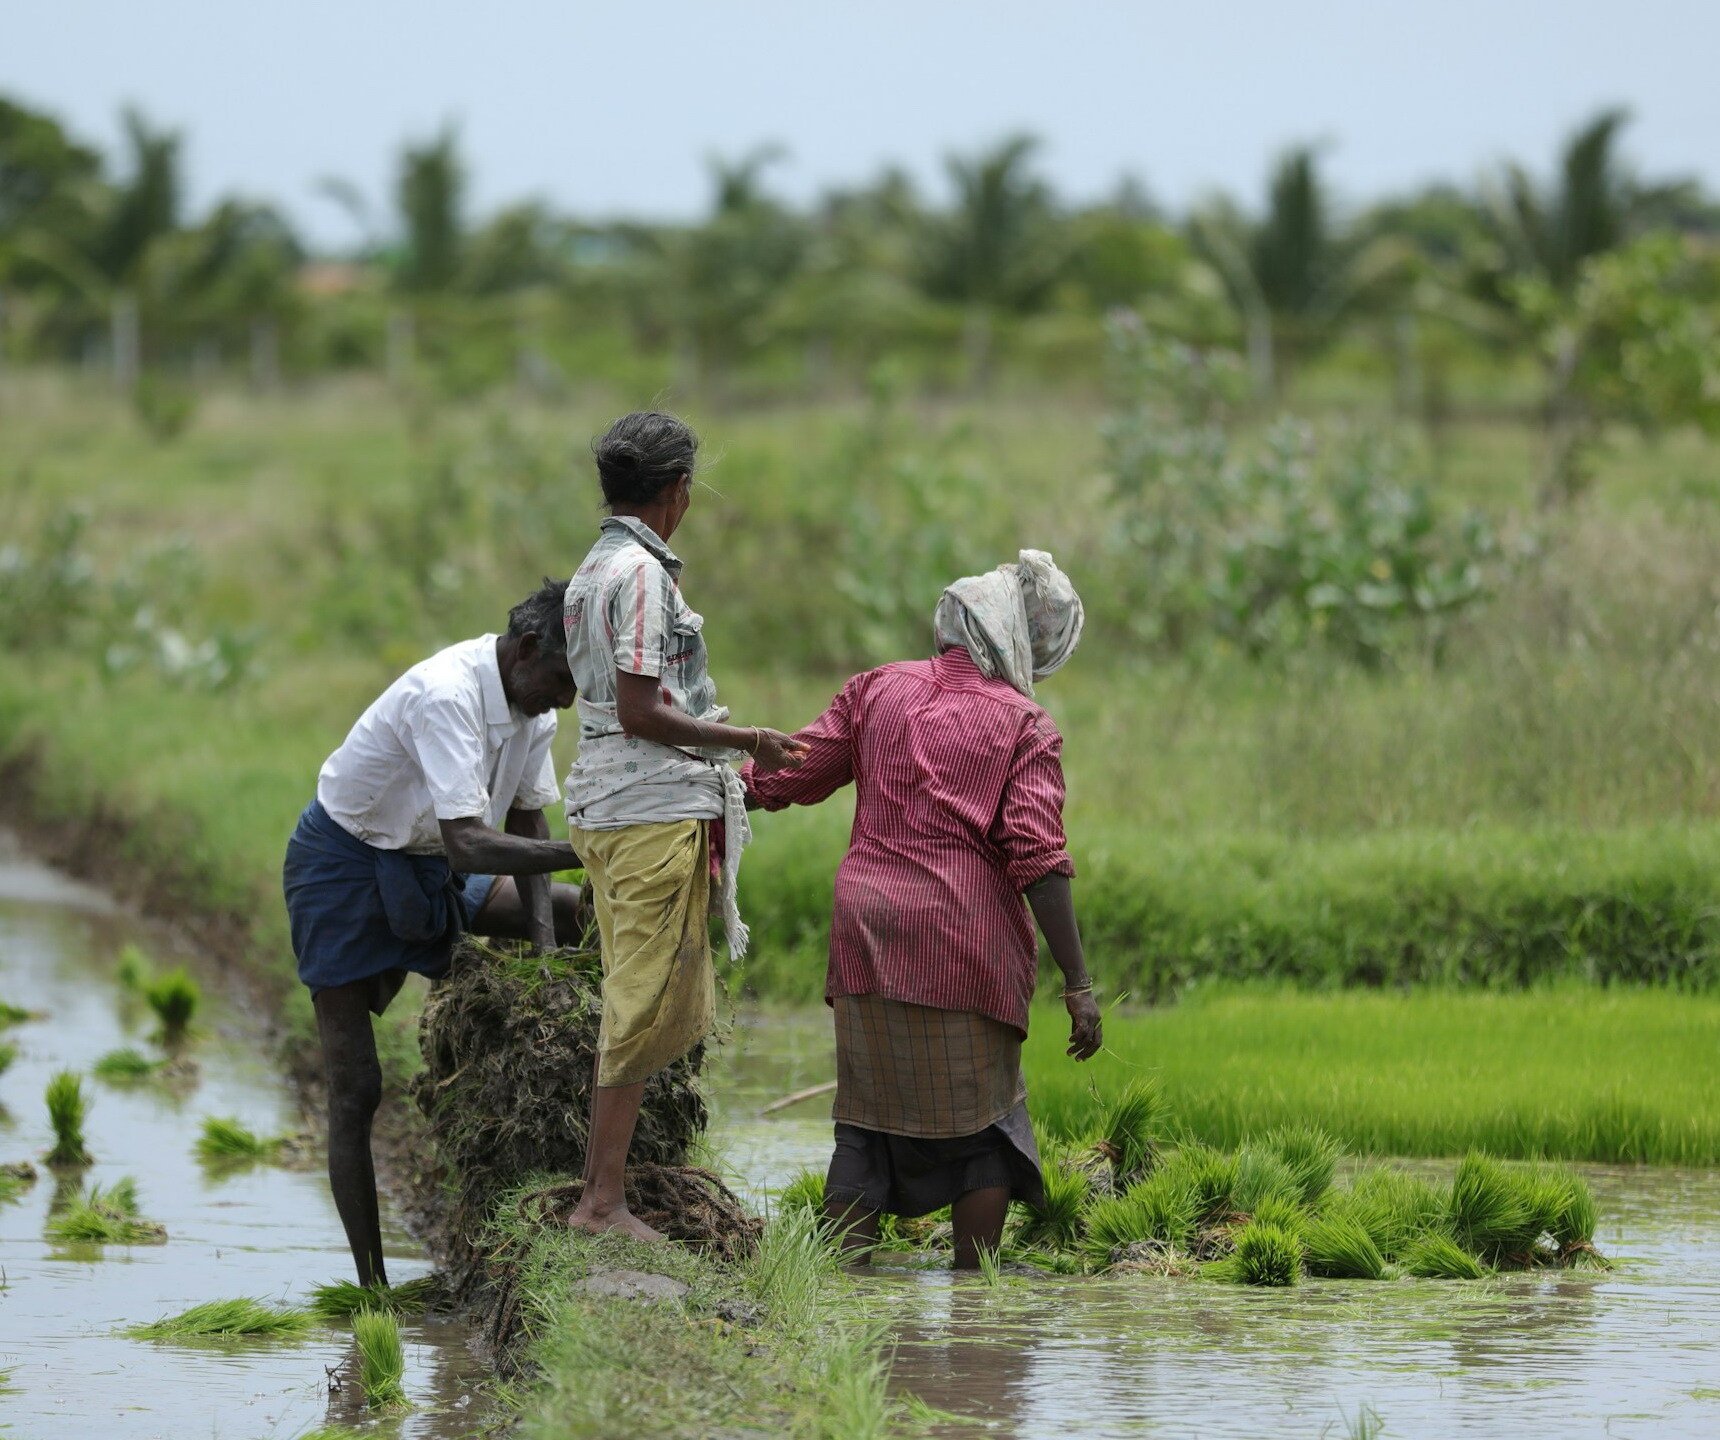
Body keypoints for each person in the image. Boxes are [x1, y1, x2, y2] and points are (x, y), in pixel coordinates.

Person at [744, 549, 1101, 1269]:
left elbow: (789, 772)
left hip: (867, 930)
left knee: (865, 1120)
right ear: (1016, 641)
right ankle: (975, 1281)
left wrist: (706, 792)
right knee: (985, 1124)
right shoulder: (1025, 724)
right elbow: (1038, 856)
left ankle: (842, 1278)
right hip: (960, 937)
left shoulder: (877, 688)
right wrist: (1078, 982)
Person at [283, 579, 588, 1286]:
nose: (568, 700)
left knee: (580, 915)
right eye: (564, 681)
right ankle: (373, 1289)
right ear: (528, 648)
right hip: (344, 864)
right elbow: (470, 847)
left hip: (428, 859)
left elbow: (528, 819)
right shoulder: (447, 694)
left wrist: (543, 951)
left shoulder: (530, 703)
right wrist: (590, 852)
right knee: (356, 1088)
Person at [561, 410, 808, 1240]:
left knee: (637, 993)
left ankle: (610, 1187)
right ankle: (601, 1202)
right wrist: (748, 741)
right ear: (678, 492)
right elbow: (640, 711)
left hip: (611, 804)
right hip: (643, 809)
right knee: (637, 1003)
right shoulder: (639, 577)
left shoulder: (593, 568)